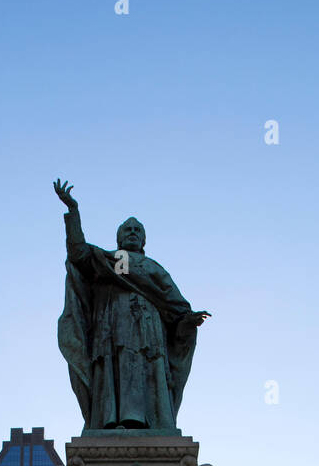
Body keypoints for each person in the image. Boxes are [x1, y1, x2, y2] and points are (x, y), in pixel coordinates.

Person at [54, 179, 209, 432]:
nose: (133, 232)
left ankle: (155, 422)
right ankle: (111, 420)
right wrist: (73, 212)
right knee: (116, 365)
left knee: (148, 368)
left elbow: (174, 305)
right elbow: (80, 254)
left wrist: (187, 320)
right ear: (119, 238)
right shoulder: (117, 261)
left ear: (145, 240)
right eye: (128, 229)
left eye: (138, 230)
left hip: (149, 333)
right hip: (113, 328)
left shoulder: (152, 267)